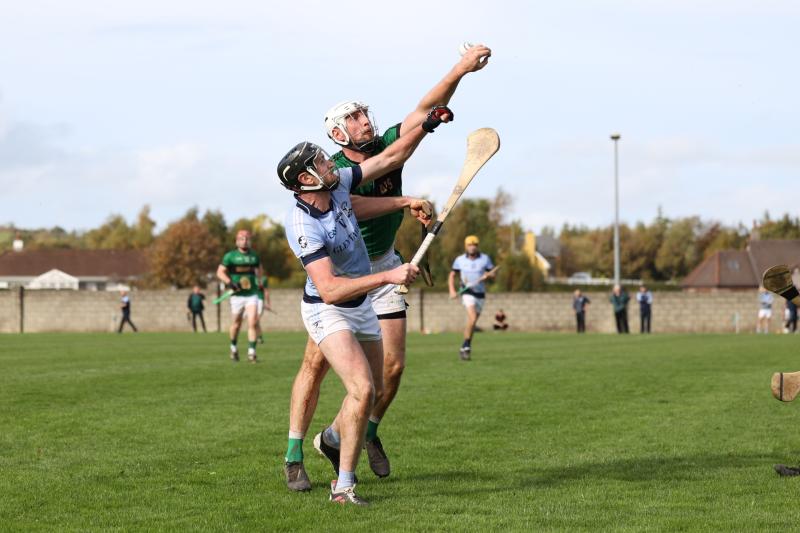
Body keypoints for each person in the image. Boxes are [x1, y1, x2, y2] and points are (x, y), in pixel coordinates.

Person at [283, 46, 490, 492]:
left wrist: (459, 73)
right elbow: (364, 196)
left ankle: (354, 435)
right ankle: (294, 454)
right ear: (339, 132)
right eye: (355, 117)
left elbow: (416, 120)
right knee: (315, 366)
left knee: (390, 370)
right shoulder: (333, 173)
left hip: (387, 267)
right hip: (341, 280)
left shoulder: (377, 147)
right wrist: (405, 199)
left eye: (364, 114)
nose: (365, 120)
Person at [279, 108, 450, 504]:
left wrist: (427, 125)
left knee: (370, 390)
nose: (331, 162)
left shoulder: (336, 186)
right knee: (358, 387)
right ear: (306, 179)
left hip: (360, 303)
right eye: (321, 161)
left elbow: (389, 159)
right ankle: (341, 486)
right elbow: (332, 290)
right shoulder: (304, 225)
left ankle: (333, 446)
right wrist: (388, 276)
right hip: (328, 307)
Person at [216, 230, 264, 363]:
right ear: (237, 241)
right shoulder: (230, 256)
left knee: (252, 322)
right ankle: (233, 348)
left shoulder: (254, 256)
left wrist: (259, 281)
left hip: (251, 294)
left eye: (247, 239)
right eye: (242, 239)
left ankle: (252, 353)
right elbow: (220, 272)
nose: (245, 241)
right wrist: (230, 283)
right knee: (236, 324)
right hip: (236, 295)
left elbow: (259, 270)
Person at [448, 235, 496, 360]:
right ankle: (466, 346)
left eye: (474, 245)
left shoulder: (485, 259)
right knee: (473, 317)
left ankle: (465, 346)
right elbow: (452, 275)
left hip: (480, 293)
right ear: (466, 246)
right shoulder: (459, 260)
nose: (472, 247)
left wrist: (488, 275)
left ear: (477, 246)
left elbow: (493, 274)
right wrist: (452, 290)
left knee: (472, 322)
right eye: (470, 245)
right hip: (467, 292)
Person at [255, 275, 271, 343]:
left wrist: (268, 303)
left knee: (256, 320)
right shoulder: (250, 276)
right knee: (254, 320)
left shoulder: (263, 279)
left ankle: (258, 337)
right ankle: (258, 337)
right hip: (252, 300)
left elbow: (266, 291)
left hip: (260, 300)